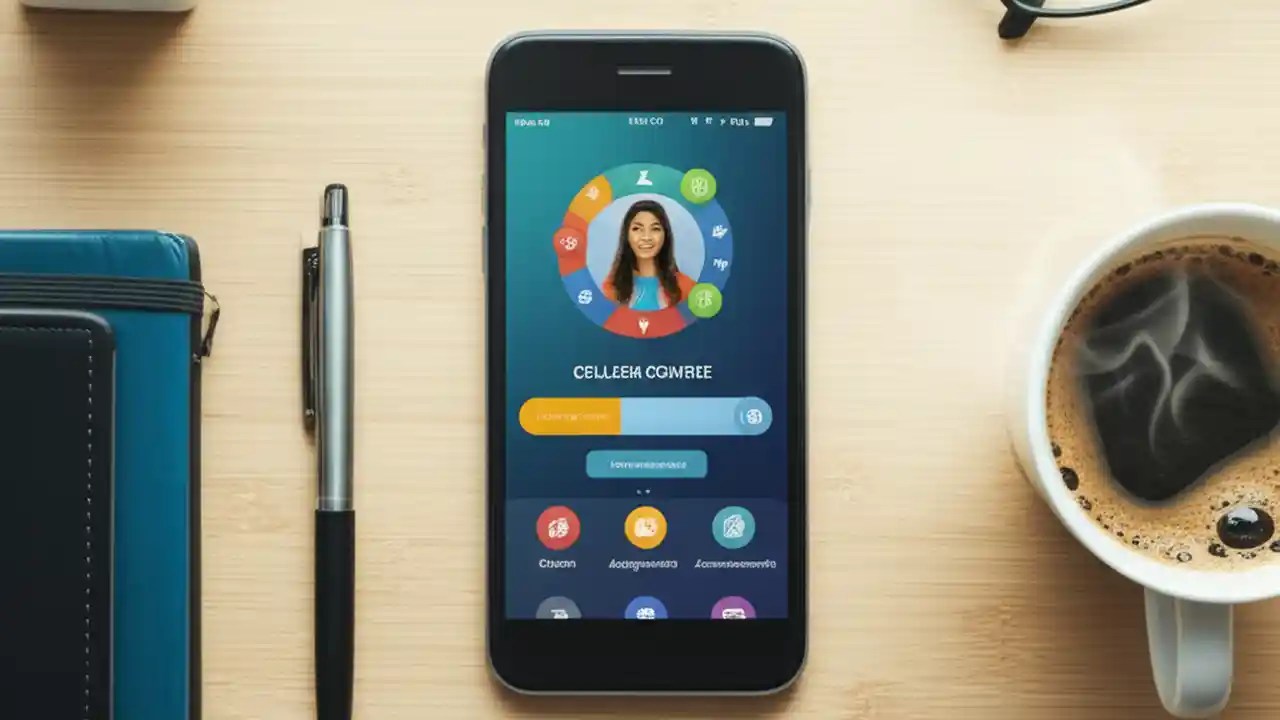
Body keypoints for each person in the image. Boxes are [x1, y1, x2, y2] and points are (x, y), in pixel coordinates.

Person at [603, 199, 695, 310]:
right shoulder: (611, 288)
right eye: (637, 229)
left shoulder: (686, 288)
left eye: (655, 229)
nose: (646, 237)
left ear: (665, 235)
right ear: (626, 235)